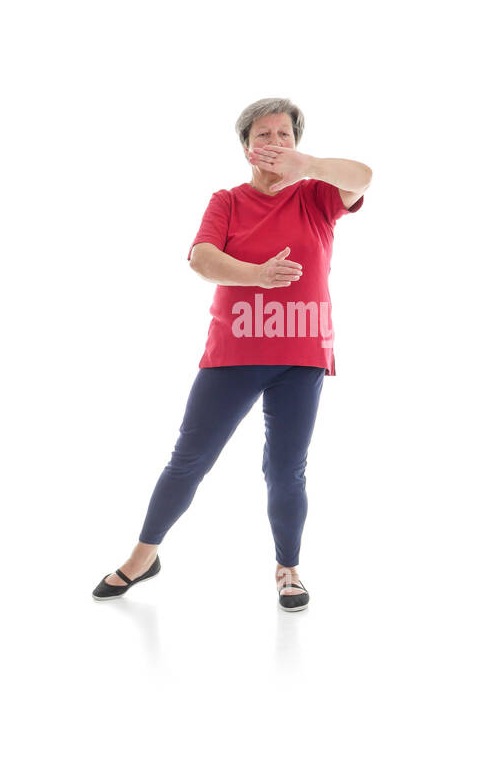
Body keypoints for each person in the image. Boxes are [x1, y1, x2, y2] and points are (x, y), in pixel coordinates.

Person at [93, 98, 371, 611]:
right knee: (189, 461)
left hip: (302, 352)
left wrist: (308, 166)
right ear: (247, 148)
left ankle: (288, 569)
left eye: (285, 134)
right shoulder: (227, 200)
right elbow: (202, 259)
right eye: (264, 135)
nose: (275, 143)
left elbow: (363, 176)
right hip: (235, 351)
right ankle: (142, 557)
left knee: (287, 469)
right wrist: (258, 275)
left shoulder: (317, 195)